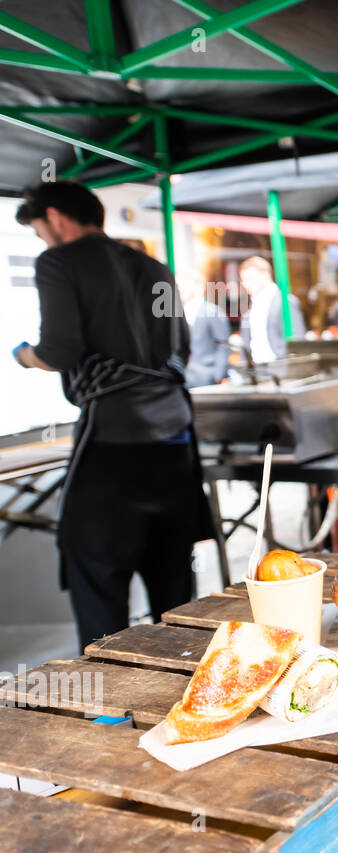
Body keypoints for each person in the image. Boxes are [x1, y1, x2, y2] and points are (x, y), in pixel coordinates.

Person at [11, 182, 213, 647]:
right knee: (173, 589)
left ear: (56, 217)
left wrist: (24, 354)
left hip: (113, 447)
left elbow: (60, 350)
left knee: (97, 579)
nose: (43, 241)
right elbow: (181, 350)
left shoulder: (59, 261)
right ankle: (184, 685)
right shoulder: (155, 266)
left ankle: (107, 712)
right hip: (175, 445)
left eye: (41, 231)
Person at [237, 255, 303, 365]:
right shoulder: (252, 306)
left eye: (249, 279)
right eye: (243, 280)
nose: (245, 284)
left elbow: (298, 340)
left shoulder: (285, 302)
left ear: (265, 275)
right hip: (257, 370)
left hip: (280, 367)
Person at [177, 268, 231, 388]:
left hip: (207, 379)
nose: (179, 289)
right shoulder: (177, 314)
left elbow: (223, 345)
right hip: (184, 379)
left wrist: (218, 374)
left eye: (183, 285)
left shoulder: (212, 312)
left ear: (197, 286)